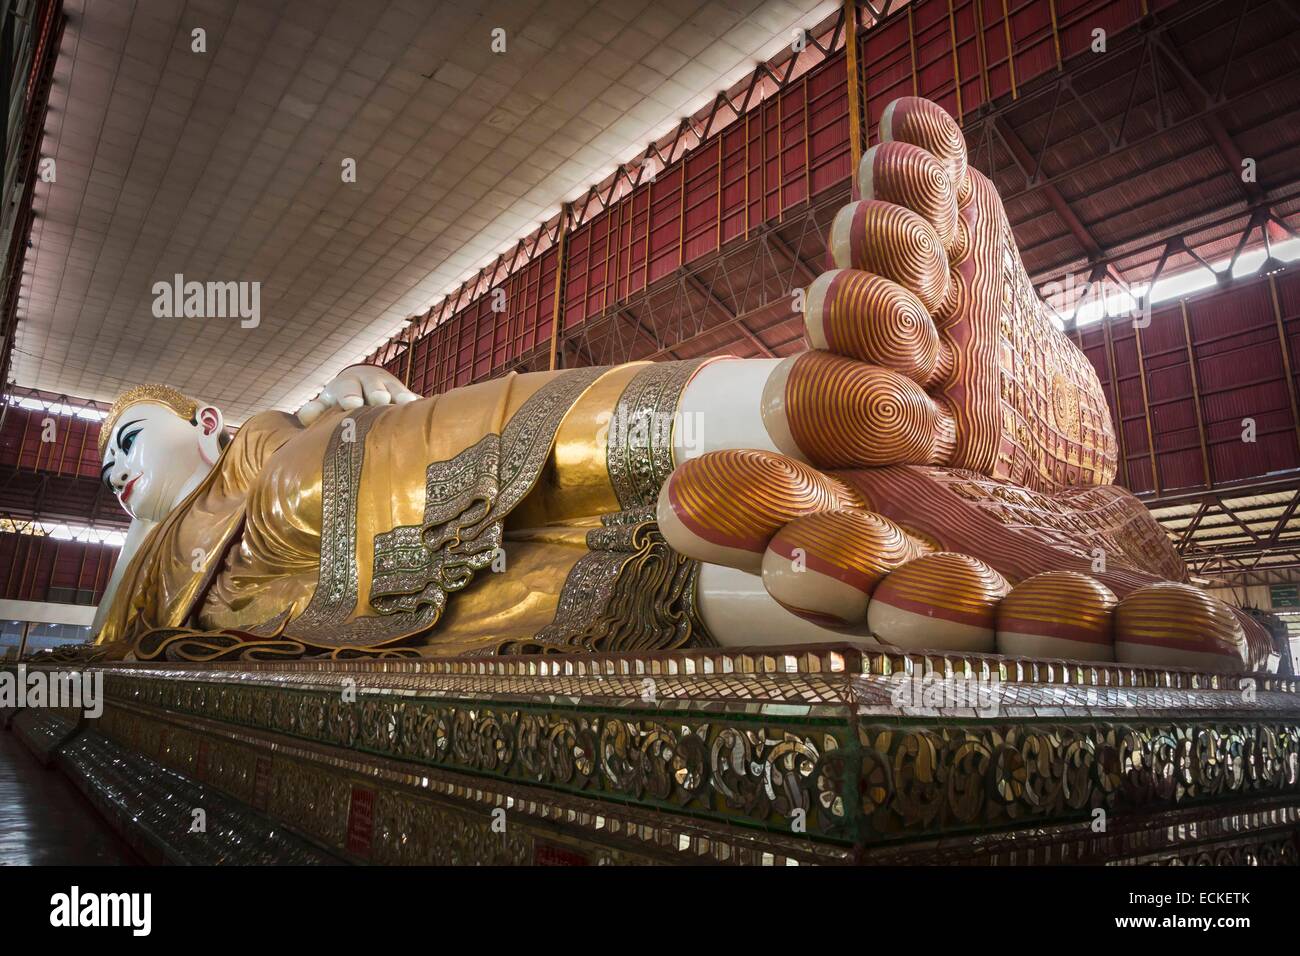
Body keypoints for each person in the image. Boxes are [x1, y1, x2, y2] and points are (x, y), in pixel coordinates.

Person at [91, 97, 1270, 672]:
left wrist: (349, 403)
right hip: (306, 620)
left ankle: (807, 405)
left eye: (124, 441)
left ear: (197, 419)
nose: (113, 474)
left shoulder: (251, 454)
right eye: (105, 470)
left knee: (434, 464)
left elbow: (375, 417)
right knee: (571, 591)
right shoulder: (147, 592)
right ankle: (910, 575)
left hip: (322, 497)